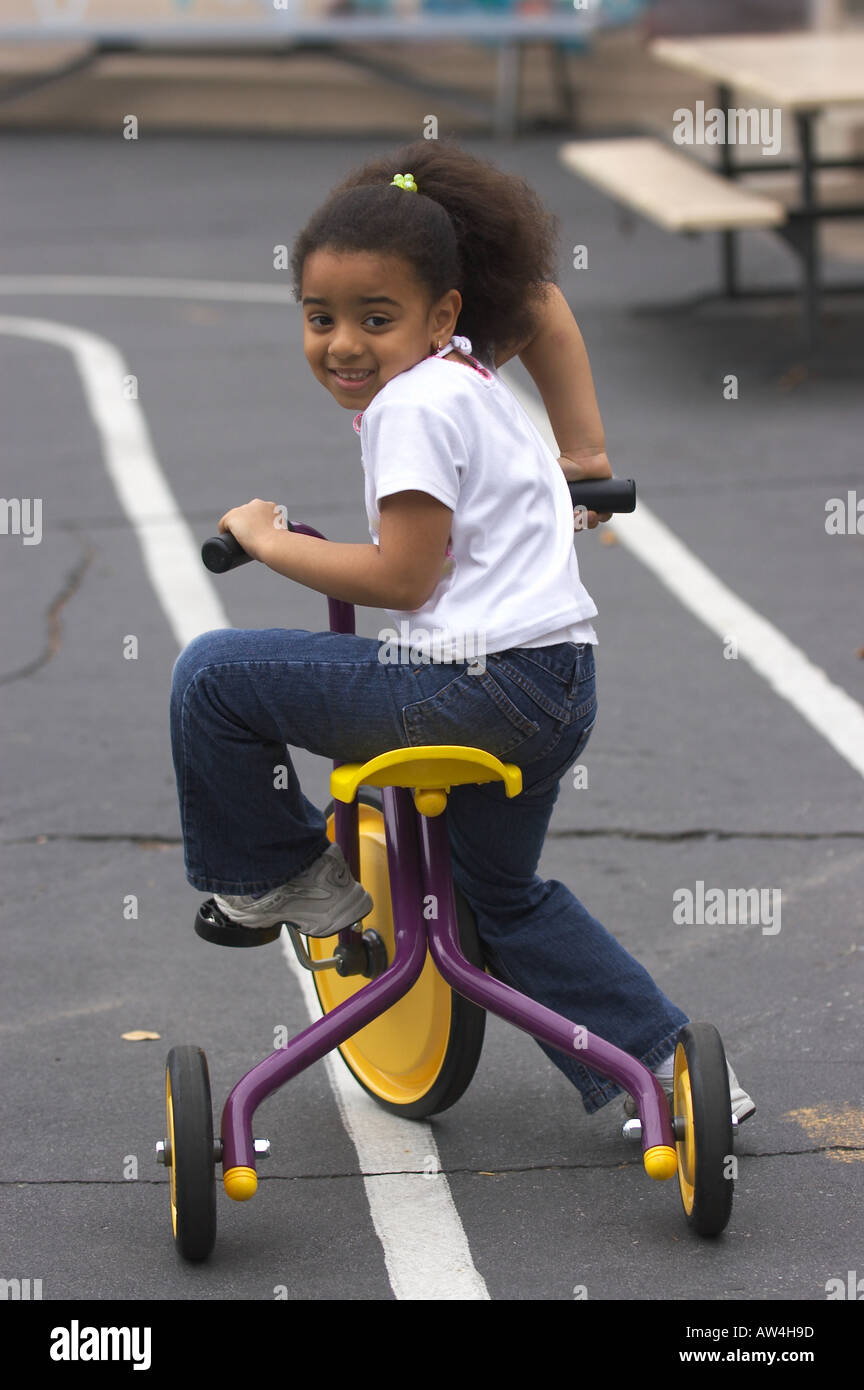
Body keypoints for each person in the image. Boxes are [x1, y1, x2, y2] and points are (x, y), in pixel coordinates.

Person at [169, 139, 753, 1123]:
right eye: (320, 320)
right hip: (556, 688)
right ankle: (677, 1076)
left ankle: (285, 881)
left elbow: (403, 573)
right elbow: (539, 302)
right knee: (499, 895)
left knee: (213, 675)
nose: (344, 345)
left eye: (375, 318)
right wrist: (585, 452)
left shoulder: (411, 408)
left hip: (470, 686)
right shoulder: (469, 372)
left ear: (443, 312)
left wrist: (267, 542)